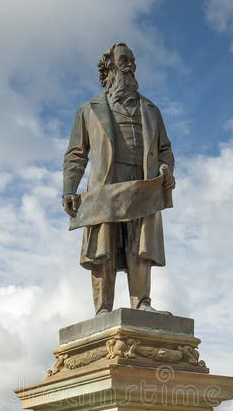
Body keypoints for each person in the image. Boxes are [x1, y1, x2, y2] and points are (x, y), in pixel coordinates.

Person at [62, 42, 175, 315]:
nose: (130, 65)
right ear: (109, 68)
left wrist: (166, 169)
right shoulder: (88, 110)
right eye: (124, 59)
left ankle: (142, 302)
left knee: (141, 245)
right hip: (106, 186)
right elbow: (77, 153)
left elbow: (165, 150)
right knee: (104, 247)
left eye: (133, 60)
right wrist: (69, 188)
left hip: (143, 185)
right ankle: (103, 308)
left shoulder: (151, 110)